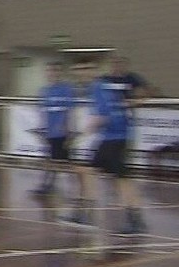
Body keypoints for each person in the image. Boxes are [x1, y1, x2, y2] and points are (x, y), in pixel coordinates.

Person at [63, 57, 147, 236]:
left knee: (106, 176)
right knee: (101, 174)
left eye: (86, 69)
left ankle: (130, 220)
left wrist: (79, 136)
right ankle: (133, 219)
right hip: (115, 137)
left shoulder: (98, 87)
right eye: (78, 69)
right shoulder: (102, 86)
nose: (82, 73)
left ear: (94, 70)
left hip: (115, 138)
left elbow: (103, 117)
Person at [32, 61, 77, 196]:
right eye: (50, 71)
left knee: (63, 161)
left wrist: (68, 129)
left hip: (61, 131)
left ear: (60, 73)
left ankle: (74, 189)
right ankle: (47, 184)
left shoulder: (66, 89)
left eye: (55, 71)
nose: (52, 74)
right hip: (50, 131)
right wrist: (41, 129)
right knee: (50, 159)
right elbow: (43, 112)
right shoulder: (44, 91)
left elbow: (69, 110)